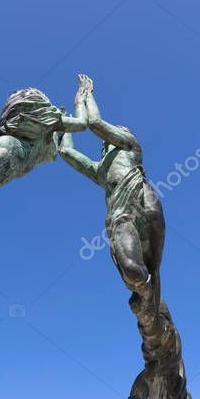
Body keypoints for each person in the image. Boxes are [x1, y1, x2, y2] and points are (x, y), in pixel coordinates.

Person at [57, 74, 164, 314]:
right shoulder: (100, 170)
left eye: (116, 131)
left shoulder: (130, 145)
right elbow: (66, 152)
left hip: (144, 200)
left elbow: (94, 122)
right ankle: (146, 296)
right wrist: (61, 124)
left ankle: (153, 305)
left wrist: (85, 95)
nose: (109, 137)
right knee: (130, 269)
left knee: (154, 268)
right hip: (120, 215)